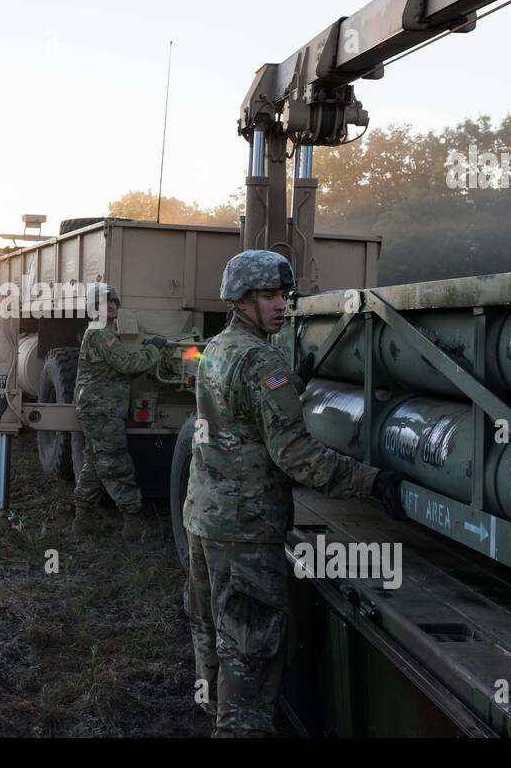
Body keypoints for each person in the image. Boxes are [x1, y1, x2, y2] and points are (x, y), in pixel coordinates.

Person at [184, 250, 405, 736]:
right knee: (251, 654)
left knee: (213, 634)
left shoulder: (217, 348)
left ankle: (217, 717)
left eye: (284, 296)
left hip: (205, 520)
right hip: (247, 532)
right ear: (241, 300)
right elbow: (296, 457)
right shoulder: (263, 362)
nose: (281, 306)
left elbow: (235, 417)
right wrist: (370, 481)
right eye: (269, 297)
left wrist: (290, 383)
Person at [72, 282, 168, 542]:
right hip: (101, 412)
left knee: (95, 463)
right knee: (116, 463)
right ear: (94, 308)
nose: (111, 305)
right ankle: (133, 523)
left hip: (97, 410)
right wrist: (154, 349)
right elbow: (126, 364)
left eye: (113, 301)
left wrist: (147, 355)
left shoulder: (101, 332)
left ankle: (82, 521)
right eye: (104, 302)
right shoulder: (101, 333)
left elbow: (123, 369)